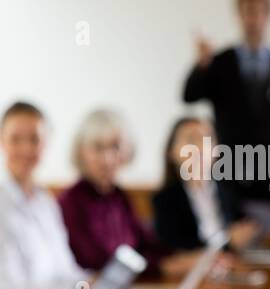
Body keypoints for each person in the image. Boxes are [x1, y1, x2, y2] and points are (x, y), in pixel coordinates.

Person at [183, 0, 270, 232]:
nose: (252, 19)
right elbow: (189, 96)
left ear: (268, 16)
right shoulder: (220, 63)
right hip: (228, 173)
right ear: (238, 16)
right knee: (230, 237)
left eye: (258, 12)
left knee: (268, 237)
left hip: (268, 177)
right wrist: (201, 65)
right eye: (247, 12)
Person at [0, 101, 84, 289]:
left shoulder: (45, 202)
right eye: (16, 139)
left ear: (45, 144)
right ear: (1, 142)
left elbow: (67, 271)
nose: (27, 149)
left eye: (34, 139)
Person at [58, 109, 203, 277]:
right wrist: (163, 266)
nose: (108, 158)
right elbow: (100, 261)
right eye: (98, 148)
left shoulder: (118, 196)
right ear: (81, 151)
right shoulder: (71, 201)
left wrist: (186, 257)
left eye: (115, 146)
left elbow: (146, 243)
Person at [152, 116, 259, 252]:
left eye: (208, 139)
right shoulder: (165, 200)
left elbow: (243, 223)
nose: (201, 146)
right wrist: (227, 241)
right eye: (192, 139)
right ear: (172, 152)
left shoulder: (227, 190)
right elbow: (175, 249)